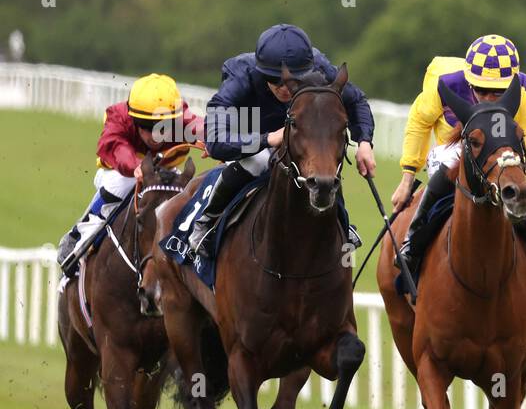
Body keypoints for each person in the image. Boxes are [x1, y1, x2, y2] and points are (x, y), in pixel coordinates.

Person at [187, 24, 374, 257]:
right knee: (257, 162)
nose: (285, 89)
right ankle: (205, 223)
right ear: (262, 72)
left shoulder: (321, 69)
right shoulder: (239, 77)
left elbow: (356, 101)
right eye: (276, 81)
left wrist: (365, 141)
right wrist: (268, 139)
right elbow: (215, 142)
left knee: (324, 160)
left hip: (297, 136)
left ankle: (343, 225)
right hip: (254, 134)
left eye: (293, 81)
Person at [393, 34, 526, 282]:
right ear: (469, 83)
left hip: (505, 159)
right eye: (482, 91)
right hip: (457, 149)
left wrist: (508, 163)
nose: (489, 100)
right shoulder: (446, 85)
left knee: (519, 186)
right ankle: (413, 241)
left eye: (498, 93)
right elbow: (420, 120)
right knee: (449, 161)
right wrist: (407, 177)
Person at [57, 73, 204, 277]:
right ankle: (78, 237)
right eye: (146, 127)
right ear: (133, 119)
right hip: (119, 171)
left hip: (164, 173)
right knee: (122, 183)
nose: (154, 136)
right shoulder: (118, 116)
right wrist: (135, 165)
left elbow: (204, 128)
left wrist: (216, 142)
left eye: (162, 127)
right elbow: (112, 144)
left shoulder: (181, 118)